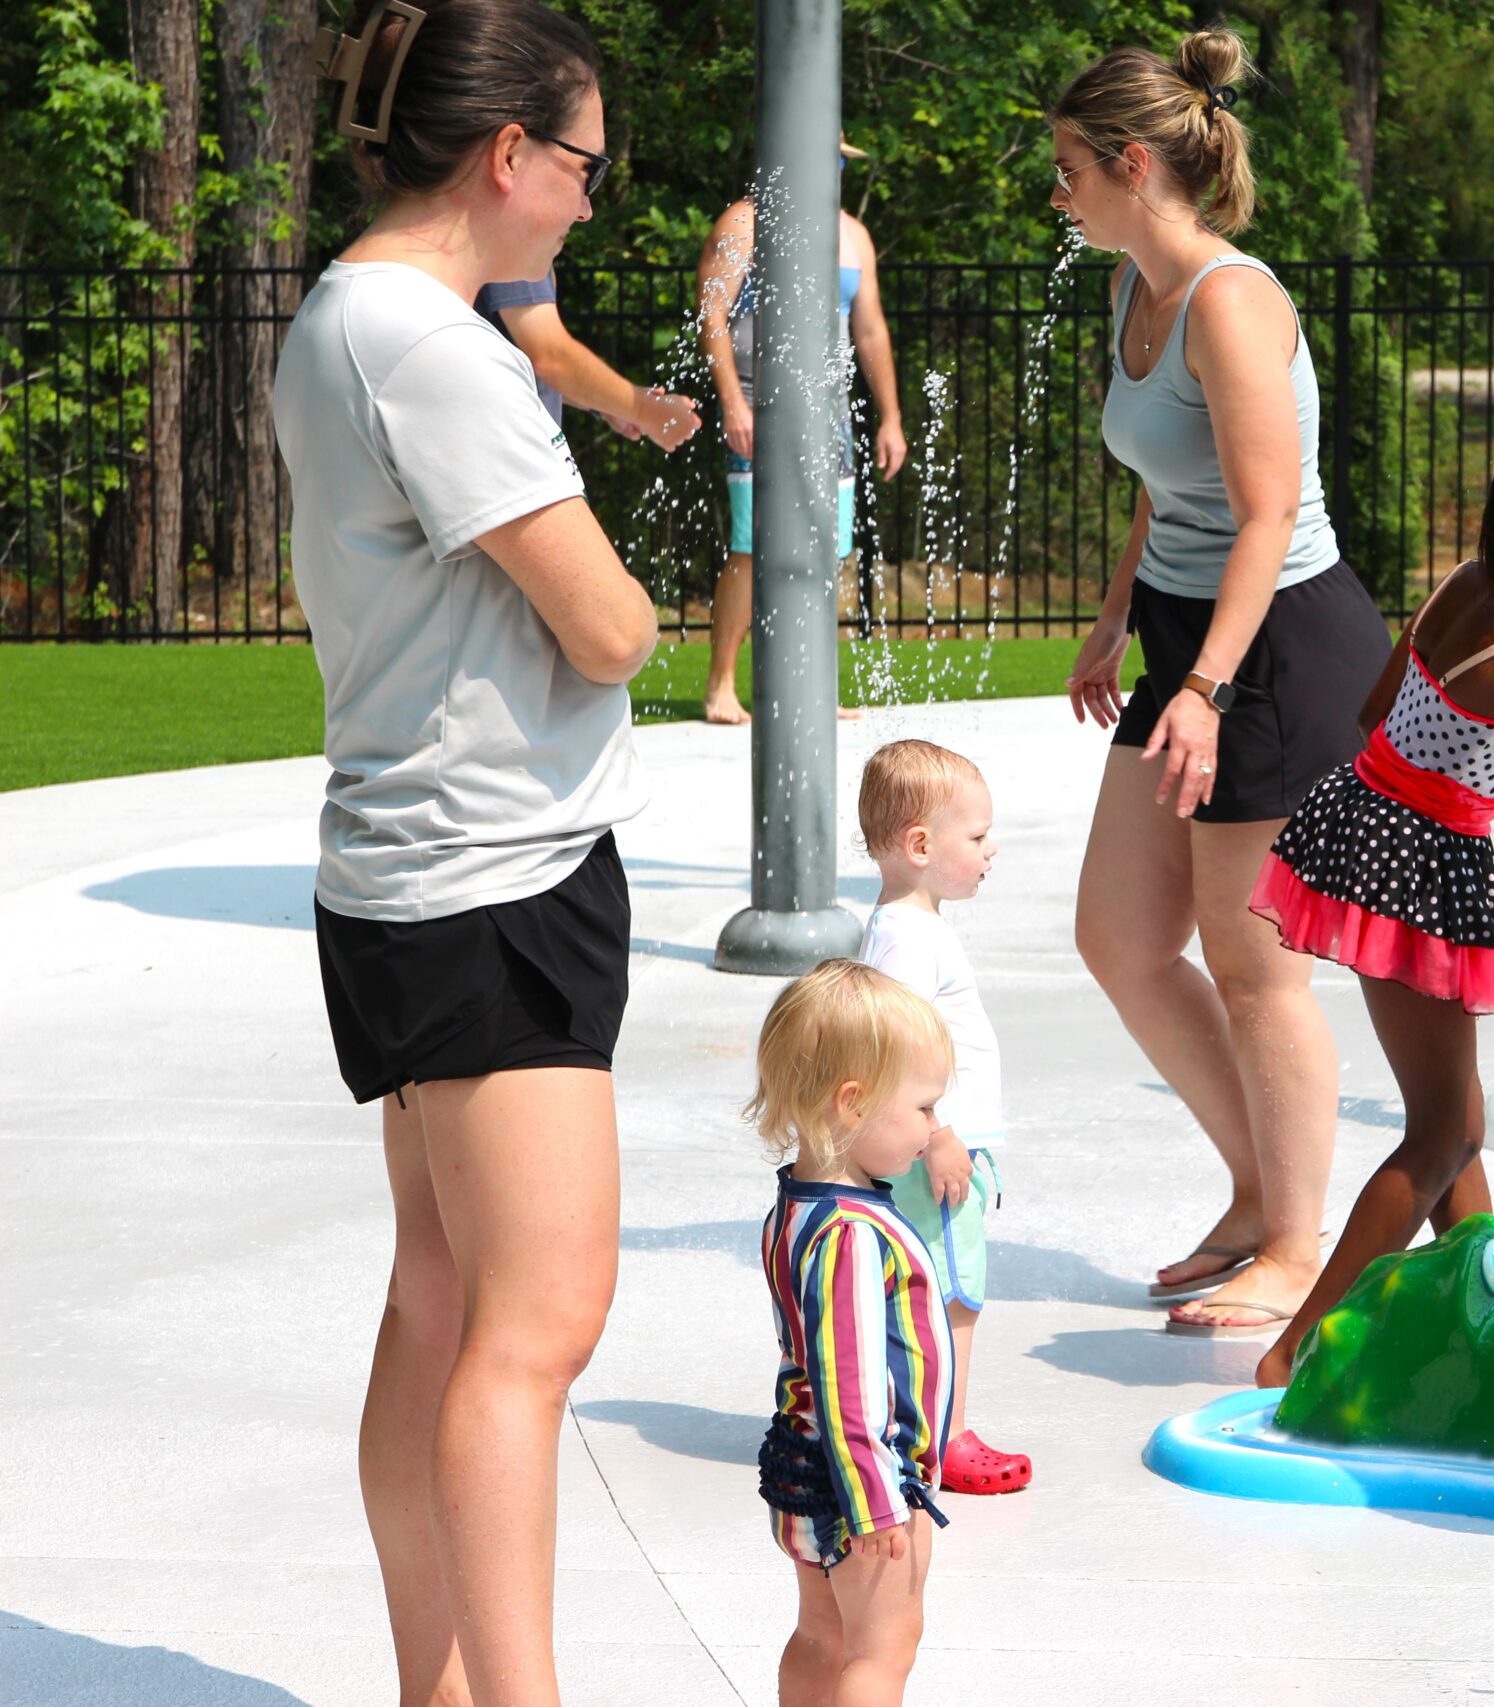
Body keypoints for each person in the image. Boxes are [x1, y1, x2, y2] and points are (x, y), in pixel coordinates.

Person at [272, 4, 660, 1703]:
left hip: (407, 864)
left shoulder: (344, 315)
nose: (587, 201)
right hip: (491, 874)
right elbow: (611, 624)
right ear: (507, 155)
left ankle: (437, 1684)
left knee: (442, 1299)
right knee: (532, 1327)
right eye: (581, 166)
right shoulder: (430, 345)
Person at [1051, 31, 1393, 1334]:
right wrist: (1112, 617)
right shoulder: (1132, 287)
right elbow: (1167, 487)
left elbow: (1264, 513)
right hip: (1192, 635)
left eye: (1071, 168)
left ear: (1133, 162)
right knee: (1123, 936)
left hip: (1279, 645)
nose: (1060, 194)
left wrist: (1201, 685)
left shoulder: (1232, 300)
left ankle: (1301, 1247)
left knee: (1256, 965)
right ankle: (1257, 1192)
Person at [1246, 417, 1494, 1378]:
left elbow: (1373, 710)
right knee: (1444, 1131)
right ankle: (1299, 1350)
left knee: (1455, 1120)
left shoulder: (1466, 585)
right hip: (1420, 862)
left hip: (1368, 824)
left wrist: (1425, 780)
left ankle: (1490, 1317)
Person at [746, 961, 956, 1707]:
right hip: (860, 1478)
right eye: (925, 1106)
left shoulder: (795, 1207)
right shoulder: (851, 1233)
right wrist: (875, 1501)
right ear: (852, 1103)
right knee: (881, 1650)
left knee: (821, 1635)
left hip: (801, 1463)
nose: (936, 1126)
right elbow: (851, 1378)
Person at [853, 740, 1033, 1493]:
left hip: (941, 1145)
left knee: (937, 1291)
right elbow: (898, 1045)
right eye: (978, 835)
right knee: (953, 1293)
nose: (992, 849)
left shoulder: (908, 926)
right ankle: (945, 1437)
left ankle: (923, 1427)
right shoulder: (906, 936)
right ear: (921, 845)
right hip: (938, 1155)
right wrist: (940, 1133)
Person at [697, 140, 908, 725]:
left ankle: (807, 685)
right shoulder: (746, 221)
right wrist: (734, 404)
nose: (832, 168)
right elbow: (711, 313)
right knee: (750, 544)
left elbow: (870, 331)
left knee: (827, 549)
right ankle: (721, 687)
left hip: (830, 419)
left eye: (838, 160)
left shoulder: (852, 235)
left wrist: (889, 416)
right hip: (759, 410)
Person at [474, 271, 702, 449]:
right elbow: (551, 358)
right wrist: (648, 412)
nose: (585, 213)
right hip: (507, 454)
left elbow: (525, 371)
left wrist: (609, 405)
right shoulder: (517, 236)